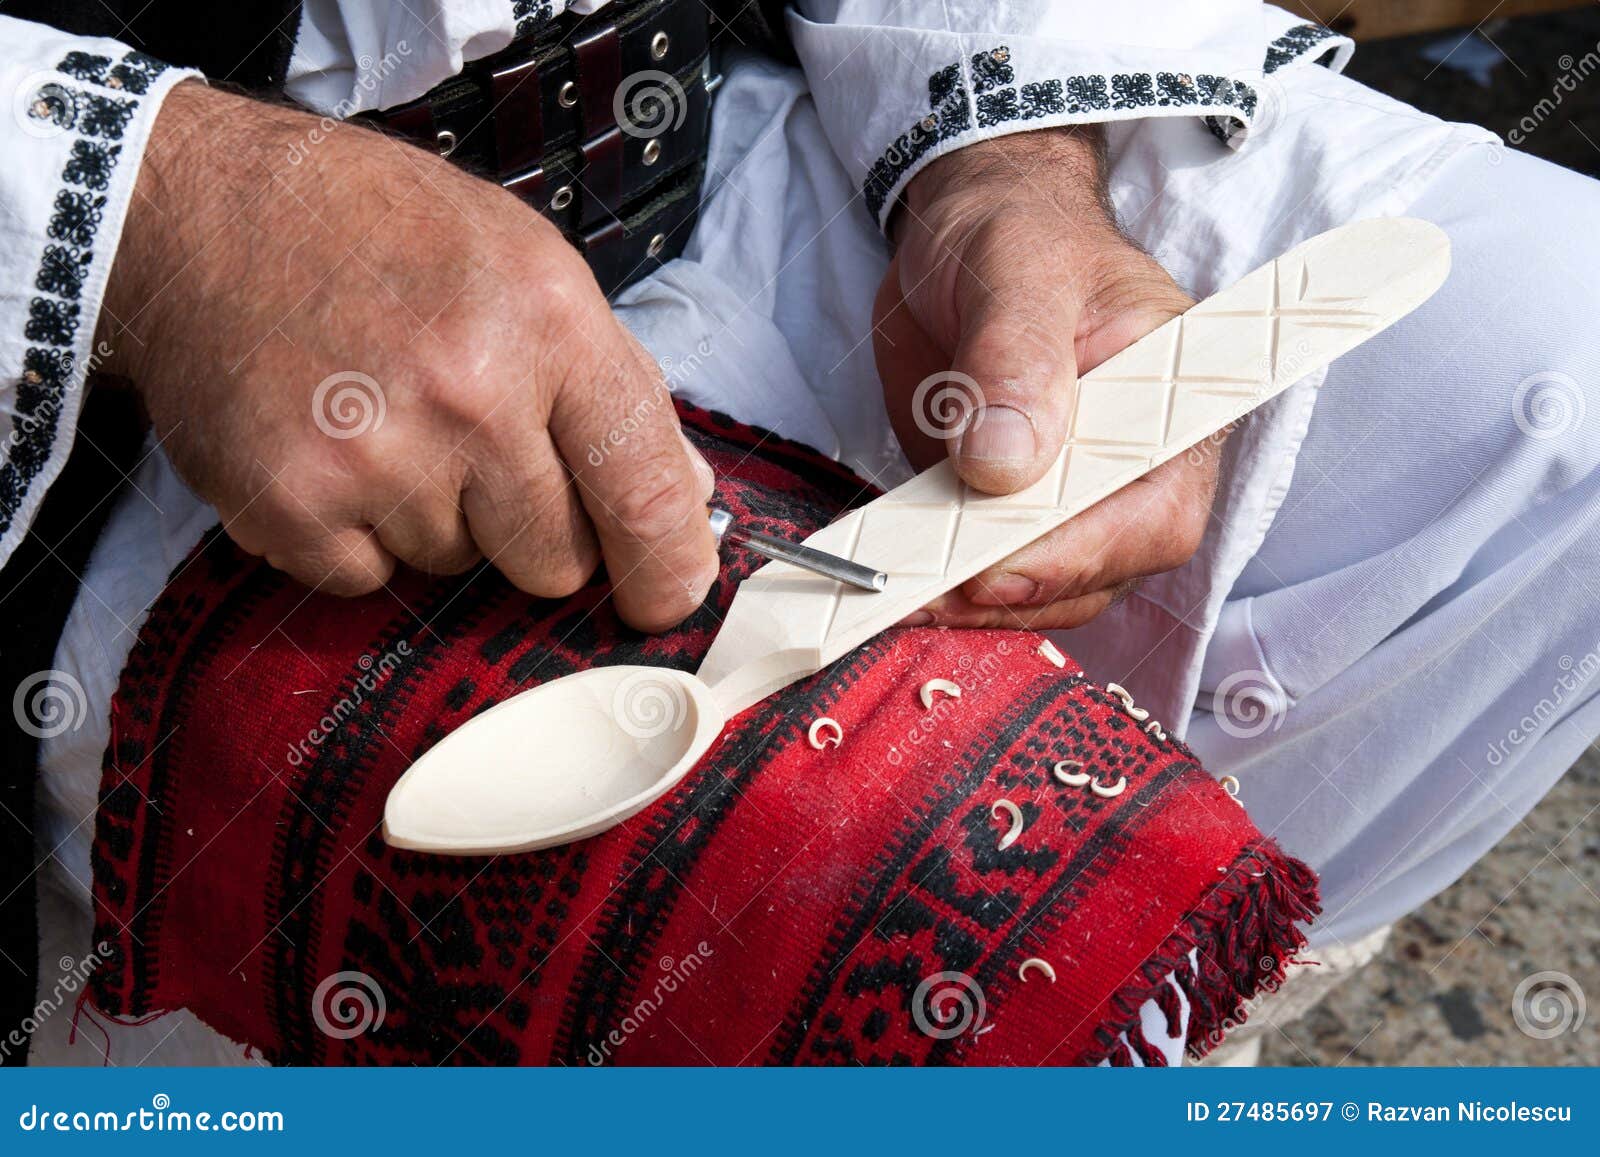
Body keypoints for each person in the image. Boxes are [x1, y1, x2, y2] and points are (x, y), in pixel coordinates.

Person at [5, 2, 1598, 1063]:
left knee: (1565, 385)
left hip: (743, 130)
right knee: (877, 921)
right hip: (114, 384)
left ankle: (1164, 984)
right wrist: (167, 210)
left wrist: (1008, 166)